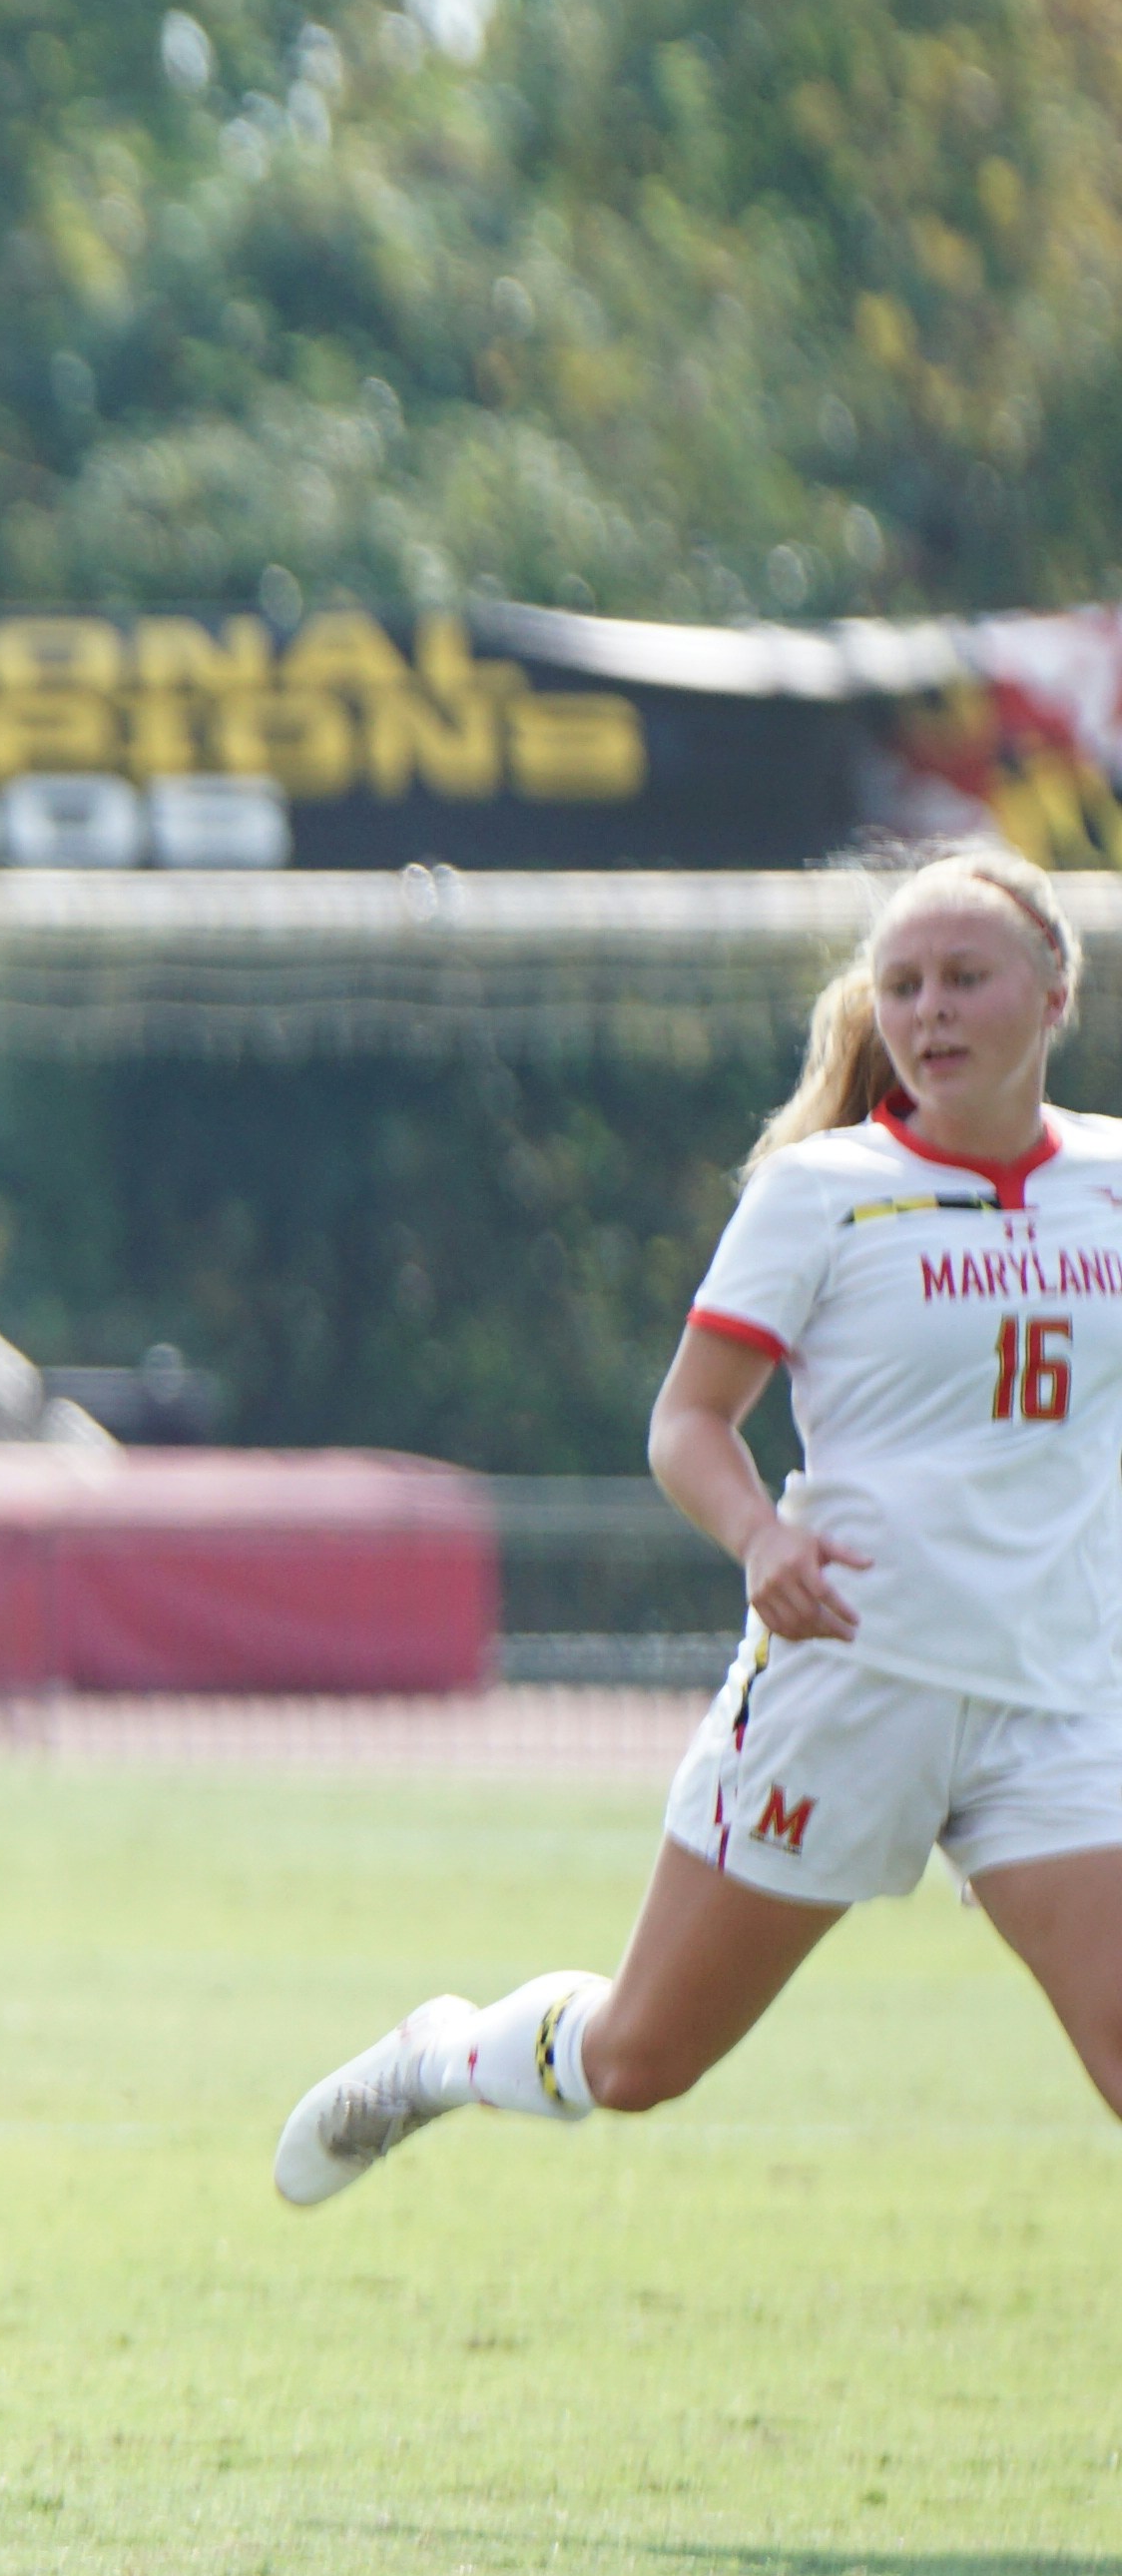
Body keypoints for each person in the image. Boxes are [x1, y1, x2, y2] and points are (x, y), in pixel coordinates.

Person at [281, 846, 1122, 2201]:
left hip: (1057, 1702)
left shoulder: (1109, 1180)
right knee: (638, 2061)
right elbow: (687, 1425)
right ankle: (444, 2055)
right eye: (903, 985)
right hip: (853, 1679)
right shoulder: (822, 1192)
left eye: (967, 978)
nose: (930, 1011)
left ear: (1055, 995)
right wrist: (762, 1541)